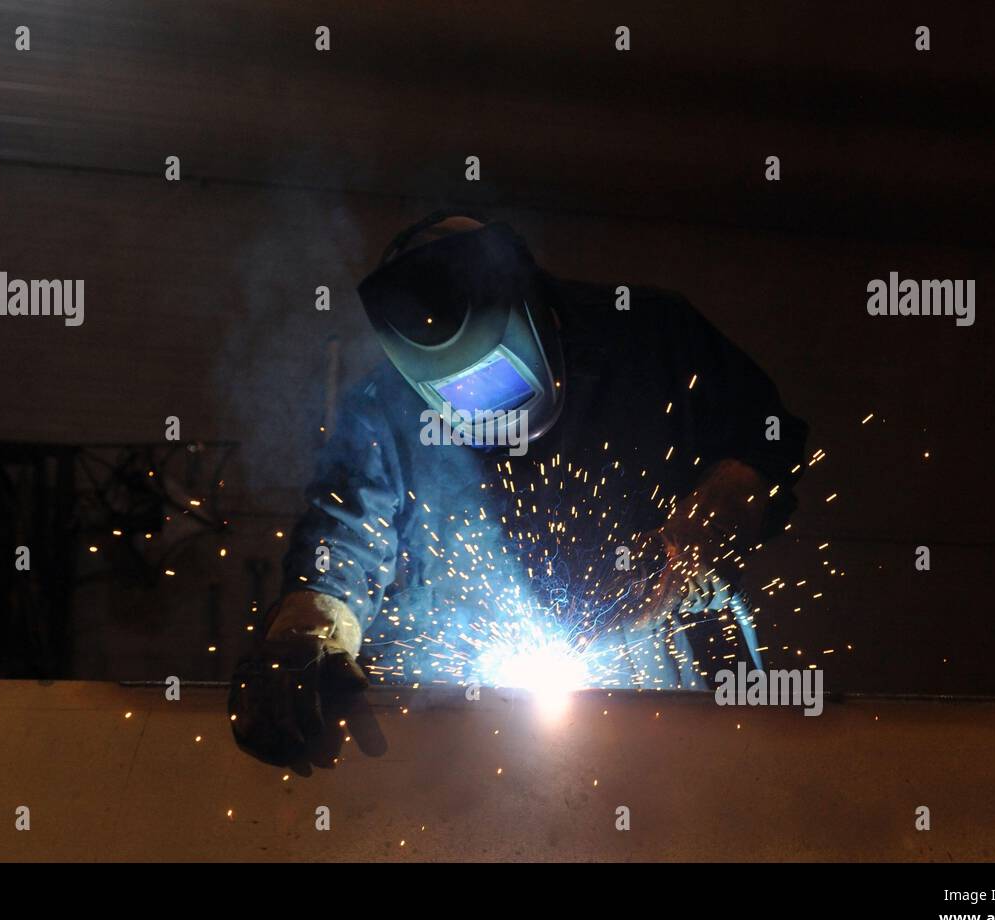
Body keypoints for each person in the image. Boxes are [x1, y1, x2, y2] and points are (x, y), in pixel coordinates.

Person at [230, 211, 807, 764]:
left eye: (496, 377)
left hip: (672, 691)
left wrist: (685, 545)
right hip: (480, 727)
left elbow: (768, 443)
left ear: (539, 316)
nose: (487, 412)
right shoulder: (383, 408)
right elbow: (340, 543)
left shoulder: (655, 337)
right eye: (456, 397)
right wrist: (308, 635)